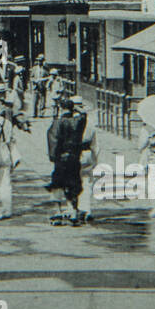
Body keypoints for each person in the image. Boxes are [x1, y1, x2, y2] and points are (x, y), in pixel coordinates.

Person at [46, 96, 93, 225]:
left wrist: (53, 157)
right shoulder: (78, 122)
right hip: (74, 157)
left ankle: (58, 211)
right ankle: (73, 211)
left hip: (61, 158)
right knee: (73, 183)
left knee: (58, 184)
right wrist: (77, 108)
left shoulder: (57, 123)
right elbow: (84, 115)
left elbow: (53, 141)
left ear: (61, 108)